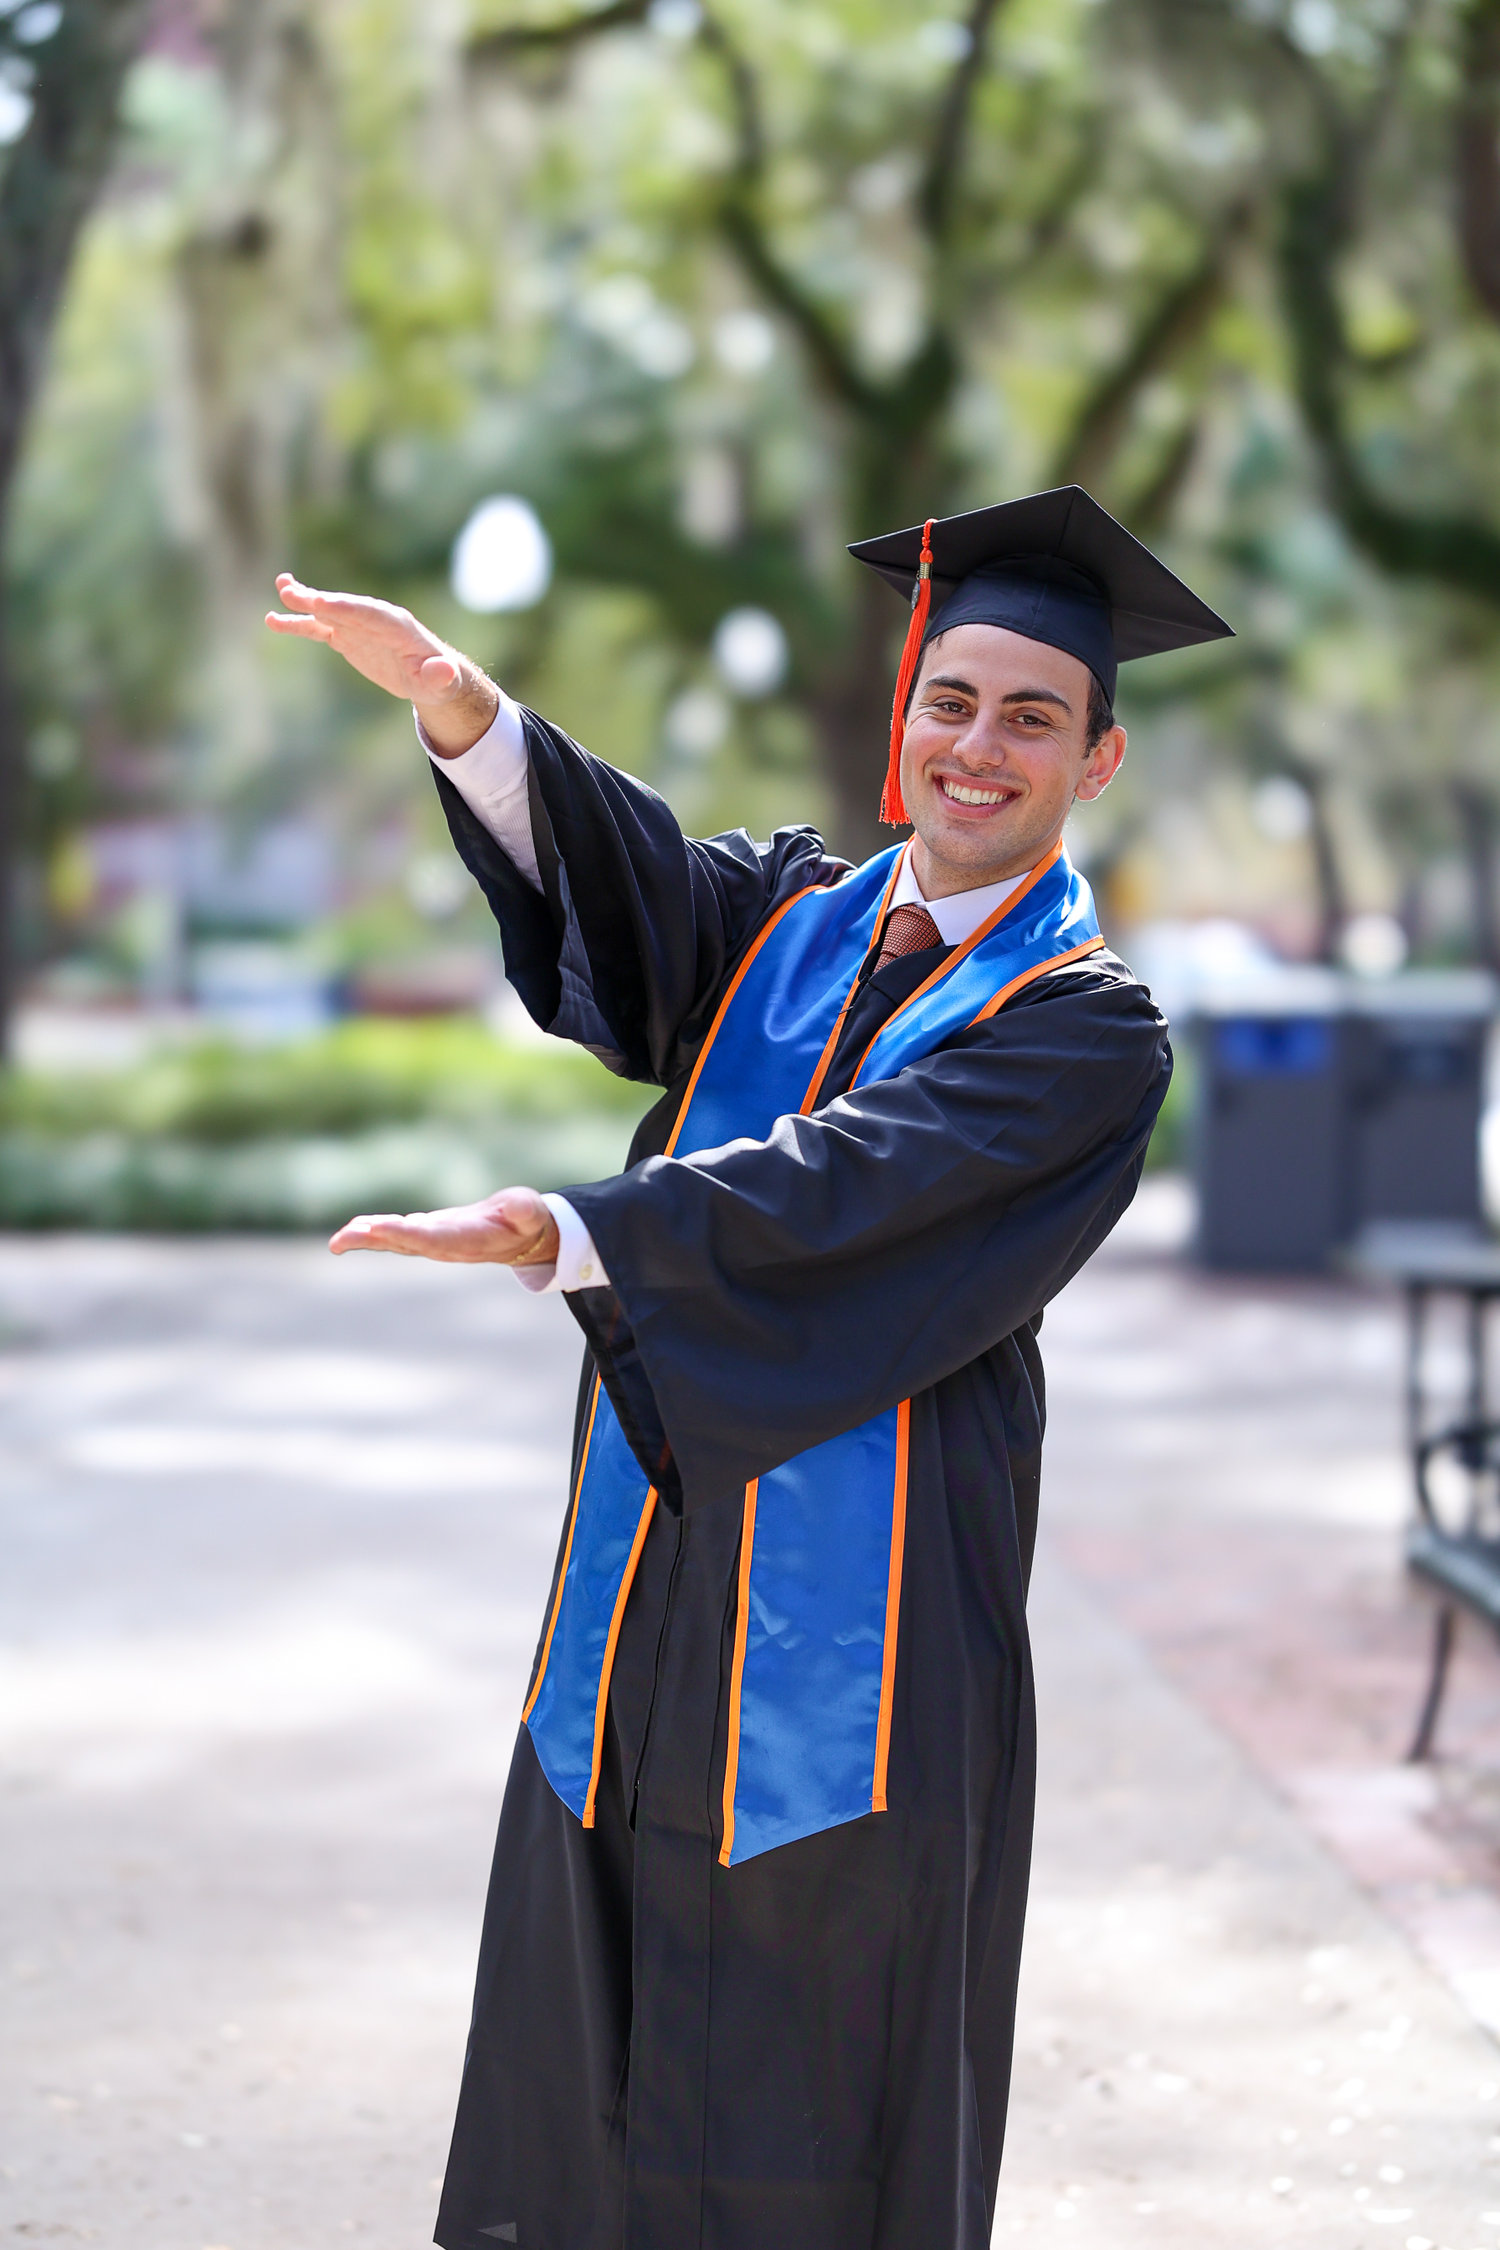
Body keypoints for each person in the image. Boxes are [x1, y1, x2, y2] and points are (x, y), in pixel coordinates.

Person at [265, 485, 1231, 2250]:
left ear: (1097, 760)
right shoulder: (792, 911)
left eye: (1032, 716)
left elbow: (858, 1191)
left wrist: (579, 1229)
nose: (978, 746)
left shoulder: (1088, 1027)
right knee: (594, 2011)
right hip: (647, 1591)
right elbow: (633, 891)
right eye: (952, 700)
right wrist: (468, 714)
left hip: (865, 1665)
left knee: (811, 2079)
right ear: (904, 718)